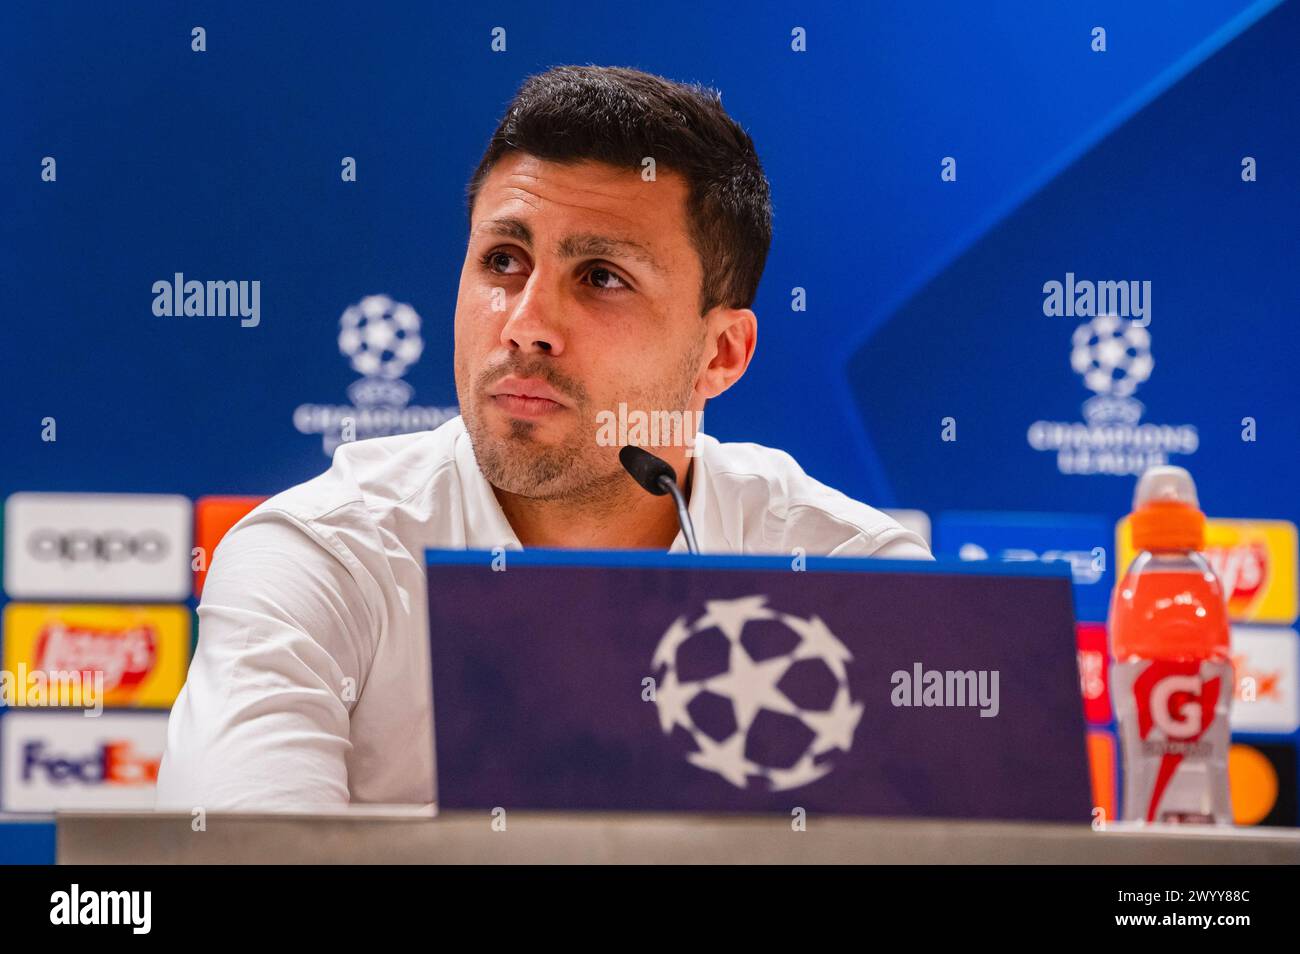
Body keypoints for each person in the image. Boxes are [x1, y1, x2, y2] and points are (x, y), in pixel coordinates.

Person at [156, 65, 931, 810]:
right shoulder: (320, 559)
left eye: (601, 276)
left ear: (721, 353)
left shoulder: (853, 578)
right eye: (503, 261)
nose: (526, 325)